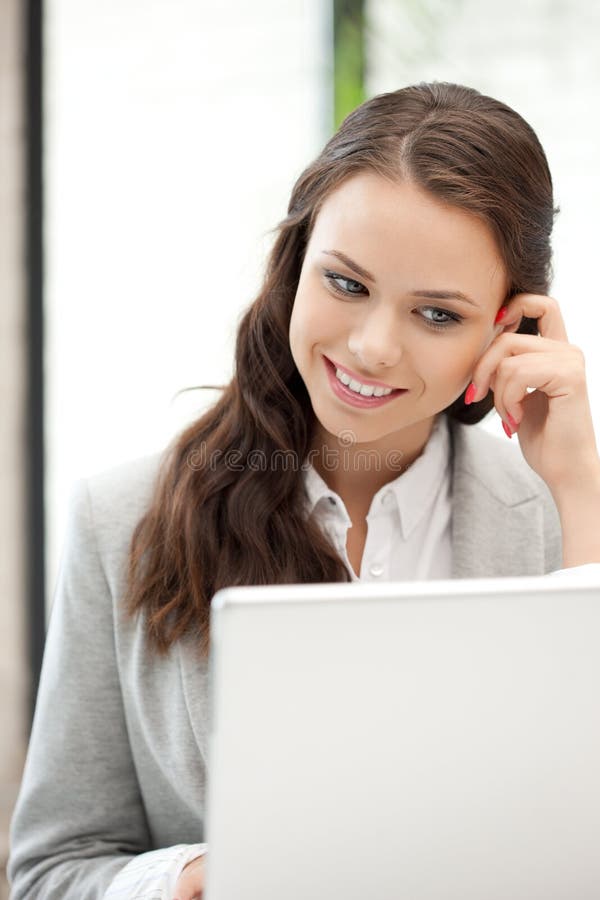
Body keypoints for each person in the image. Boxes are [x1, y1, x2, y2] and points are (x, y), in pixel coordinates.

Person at [8, 81, 600, 900]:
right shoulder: (119, 521)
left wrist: (581, 499)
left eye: (436, 315)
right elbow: (48, 870)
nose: (371, 348)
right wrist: (185, 881)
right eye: (348, 285)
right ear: (294, 264)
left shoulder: (564, 529)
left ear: (508, 330)